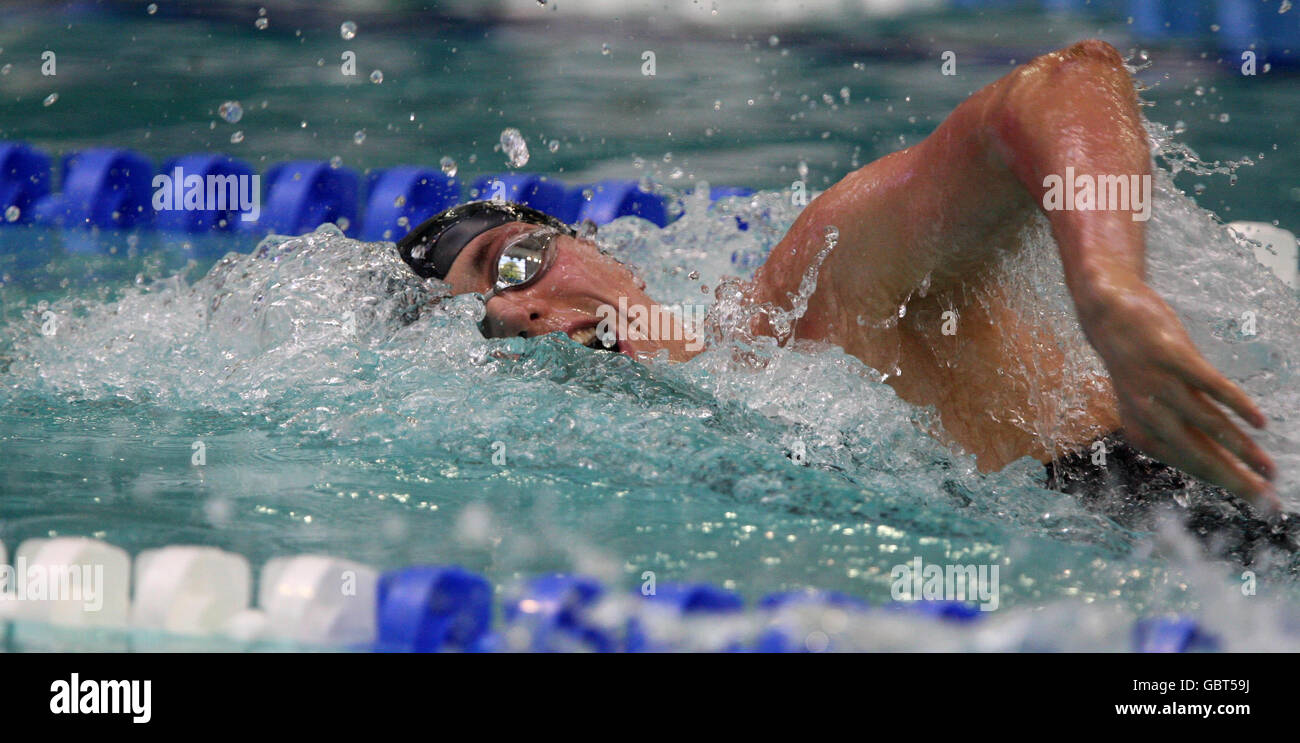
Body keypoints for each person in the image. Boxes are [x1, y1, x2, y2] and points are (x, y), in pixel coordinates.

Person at [397, 40, 1294, 560]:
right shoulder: (671, 482)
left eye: (511, 266)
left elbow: (1067, 84)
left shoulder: (806, 298)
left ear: (592, 244)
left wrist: (1109, 288)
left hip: (1226, 525)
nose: (516, 315)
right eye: (484, 322)